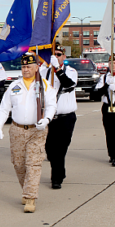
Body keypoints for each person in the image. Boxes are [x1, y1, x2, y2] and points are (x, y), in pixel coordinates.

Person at [0, 53, 57, 213]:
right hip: (17, 130)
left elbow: (51, 105)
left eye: (29, 66)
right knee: (19, 164)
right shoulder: (14, 86)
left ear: (37, 68)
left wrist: (47, 119)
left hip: (37, 130)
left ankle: (30, 198)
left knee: (33, 164)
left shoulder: (44, 85)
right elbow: (4, 107)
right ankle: (27, 189)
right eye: (23, 67)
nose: (25, 69)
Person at [39, 45, 78, 189]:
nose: (57, 56)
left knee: (61, 148)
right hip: (49, 117)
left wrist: (58, 69)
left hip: (66, 117)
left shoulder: (72, 72)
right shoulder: (44, 72)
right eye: (54, 54)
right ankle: (59, 171)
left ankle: (56, 178)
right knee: (50, 149)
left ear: (64, 57)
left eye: (59, 54)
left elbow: (69, 84)